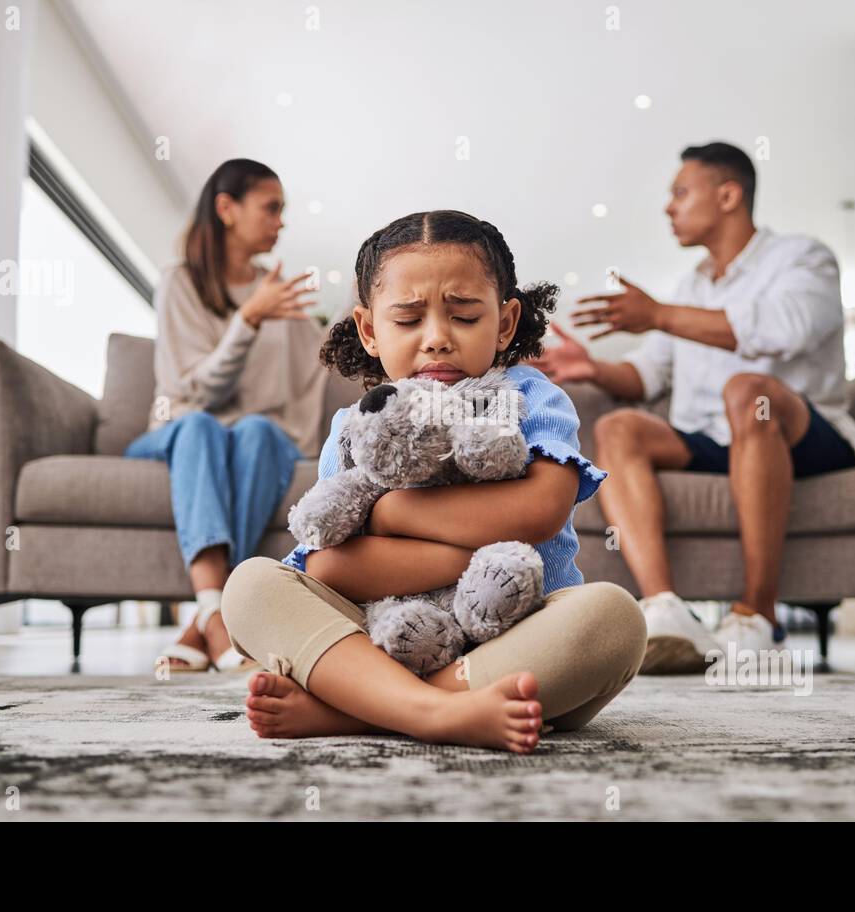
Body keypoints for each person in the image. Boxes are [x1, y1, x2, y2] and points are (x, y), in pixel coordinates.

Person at [219, 209, 646, 753]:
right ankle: (438, 711)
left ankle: (365, 708)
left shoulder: (527, 396)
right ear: (369, 329)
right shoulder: (357, 428)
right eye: (408, 320)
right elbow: (329, 568)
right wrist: (472, 538)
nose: (437, 339)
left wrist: (389, 514)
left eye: (465, 317)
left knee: (613, 619)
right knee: (251, 585)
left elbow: (540, 511)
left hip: (515, 634)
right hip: (384, 631)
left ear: (506, 322)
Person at [529, 141, 855, 673]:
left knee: (746, 392)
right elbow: (646, 374)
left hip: (805, 438)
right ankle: (665, 609)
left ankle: (758, 616)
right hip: (715, 441)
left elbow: (784, 331)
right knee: (620, 428)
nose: (669, 207)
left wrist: (659, 314)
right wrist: (591, 368)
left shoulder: (802, 258)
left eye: (681, 193)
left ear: (728, 194)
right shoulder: (690, 287)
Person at [123, 158, 327, 672]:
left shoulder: (277, 293)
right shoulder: (180, 283)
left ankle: (208, 619)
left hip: (249, 438)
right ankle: (223, 620)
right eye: (271, 208)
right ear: (226, 209)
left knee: (260, 430)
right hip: (180, 430)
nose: (281, 221)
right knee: (199, 424)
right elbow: (194, 391)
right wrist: (248, 319)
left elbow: (321, 362)